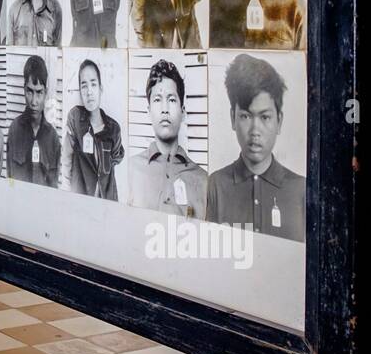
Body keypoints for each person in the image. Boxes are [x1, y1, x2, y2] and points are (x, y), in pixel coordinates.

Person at [206, 53, 305, 240]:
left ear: (279, 121)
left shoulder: (301, 189)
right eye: (245, 116)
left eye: (265, 117)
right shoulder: (215, 185)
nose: (255, 131)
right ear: (232, 118)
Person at [126, 59, 206, 219]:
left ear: (183, 111)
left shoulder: (203, 180)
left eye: (171, 100)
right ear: (149, 110)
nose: (164, 109)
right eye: (157, 100)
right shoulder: (129, 170)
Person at [63, 58, 124, 199]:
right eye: (84, 86)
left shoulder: (113, 129)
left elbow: (116, 158)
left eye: (93, 84)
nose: (89, 92)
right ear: (80, 91)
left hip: (107, 204)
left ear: (100, 89)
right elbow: (66, 162)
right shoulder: (75, 118)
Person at [6, 54, 59, 186]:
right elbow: (10, 180)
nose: (34, 102)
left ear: (46, 93)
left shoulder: (53, 138)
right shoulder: (14, 130)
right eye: (29, 91)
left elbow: (54, 188)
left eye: (39, 92)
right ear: (24, 90)